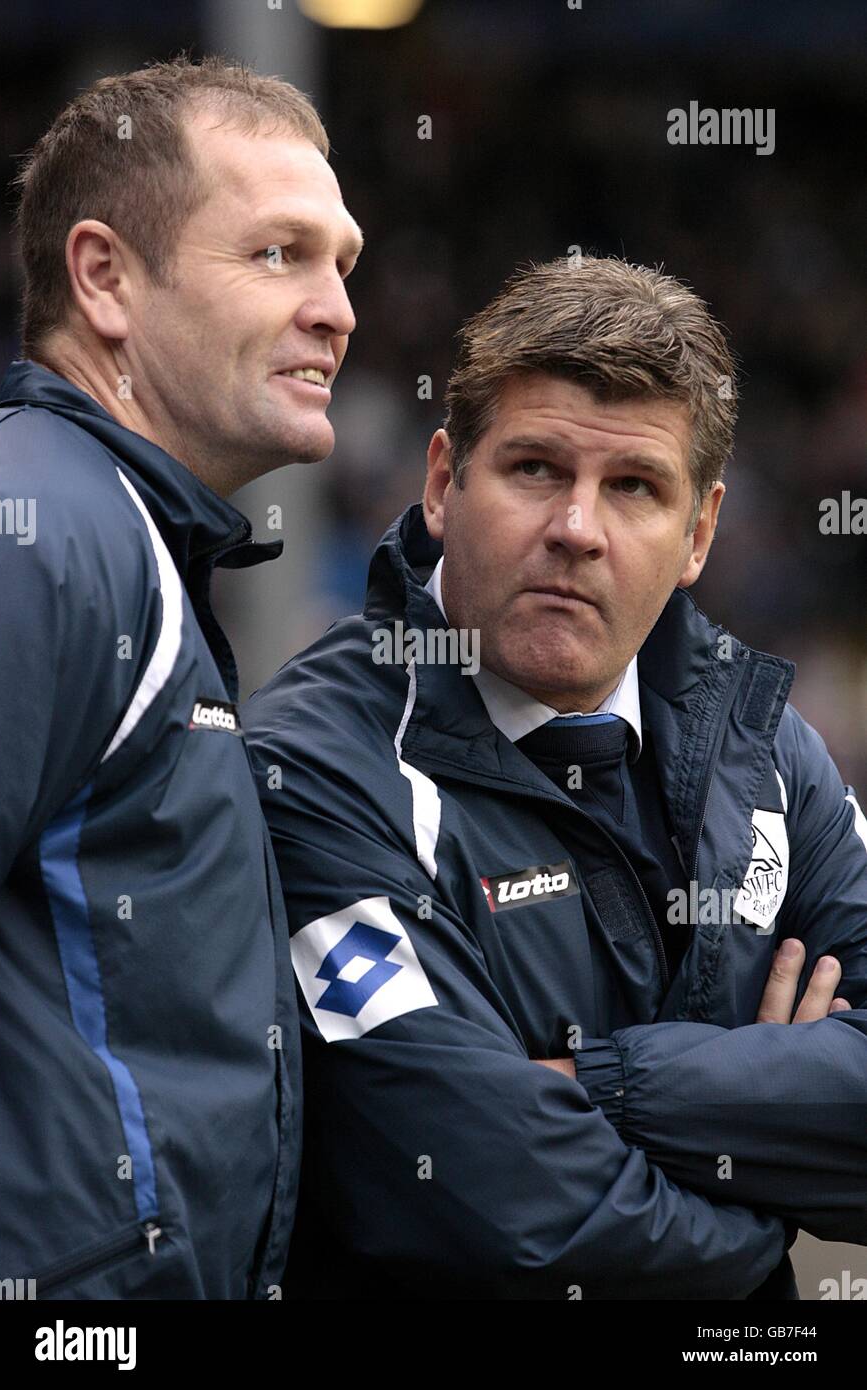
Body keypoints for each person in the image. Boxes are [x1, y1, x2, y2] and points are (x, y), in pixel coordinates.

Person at [244, 256, 867, 1300]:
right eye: (535, 469)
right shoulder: (314, 768)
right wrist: (768, 1194)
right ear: (444, 482)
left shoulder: (760, 745)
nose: (578, 529)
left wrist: (615, 1088)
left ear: (699, 534)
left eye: (634, 488)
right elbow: (495, 1202)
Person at [0, 55, 361, 1298]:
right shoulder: (40, 530)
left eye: (341, 264)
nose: (336, 308)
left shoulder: (113, 528)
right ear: (105, 278)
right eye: (278, 255)